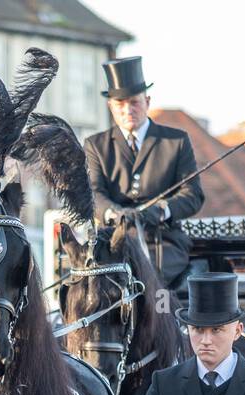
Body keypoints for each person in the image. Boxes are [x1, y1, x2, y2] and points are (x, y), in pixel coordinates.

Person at [84, 56, 204, 289]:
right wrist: (113, 213)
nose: (128, 110)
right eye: (120, 104)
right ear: (111, 106)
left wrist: (161, 211)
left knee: (150, 280)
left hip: (163, 244)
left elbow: (193, 194)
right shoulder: (95, 145)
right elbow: (93, 193)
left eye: (134, 102)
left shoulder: (176, 141)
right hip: (112, 241)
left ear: (147, 101)